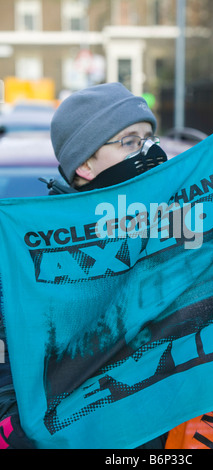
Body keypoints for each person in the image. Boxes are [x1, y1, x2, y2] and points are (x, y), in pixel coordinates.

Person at [0, 82, 168, 449]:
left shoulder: (173, 232)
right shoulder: (25, 256)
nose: (150, 151)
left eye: (150, 137)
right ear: (86, 164)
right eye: (130, 141)